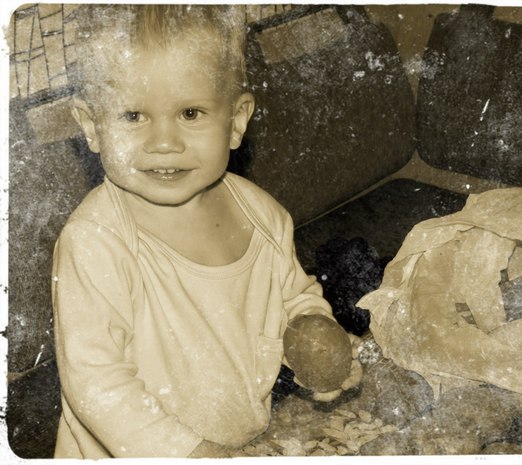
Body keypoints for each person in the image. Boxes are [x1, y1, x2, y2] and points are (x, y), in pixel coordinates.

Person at [51, 4, 361, 458]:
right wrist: (191, 453)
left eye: (191, 113)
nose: (164, 143)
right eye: (133, 116)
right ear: (91, 126)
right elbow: (96, 383)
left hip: (235, 441)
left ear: (236, 120)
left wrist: (314, 336)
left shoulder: (263, 215)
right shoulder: (95, 241)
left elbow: (292, 297)